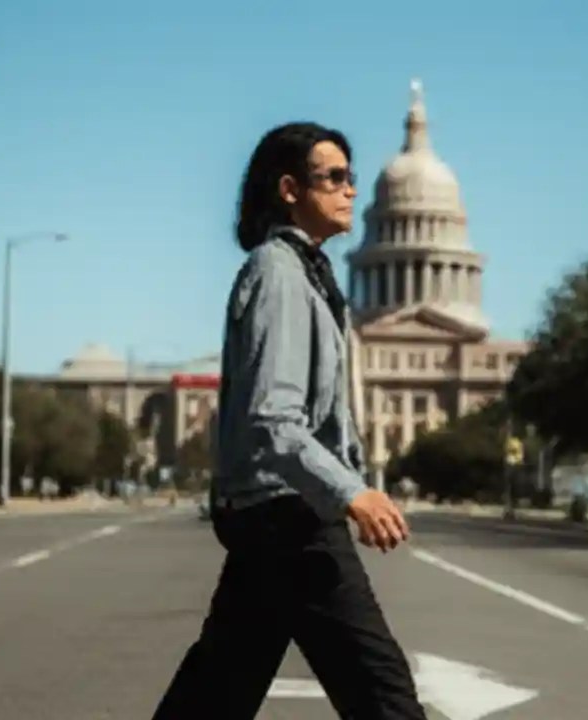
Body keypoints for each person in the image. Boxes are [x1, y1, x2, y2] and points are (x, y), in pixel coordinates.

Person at [151, 122, 427, 719]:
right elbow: (272, 418)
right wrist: (353, 494)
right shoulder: (279, 273)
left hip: (272, 518)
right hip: (289, 516)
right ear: (289, 189)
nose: (351, 189)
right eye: (333, 177)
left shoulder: (307, 275)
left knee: (215, 694)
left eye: (352, 178)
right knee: (385, 697)